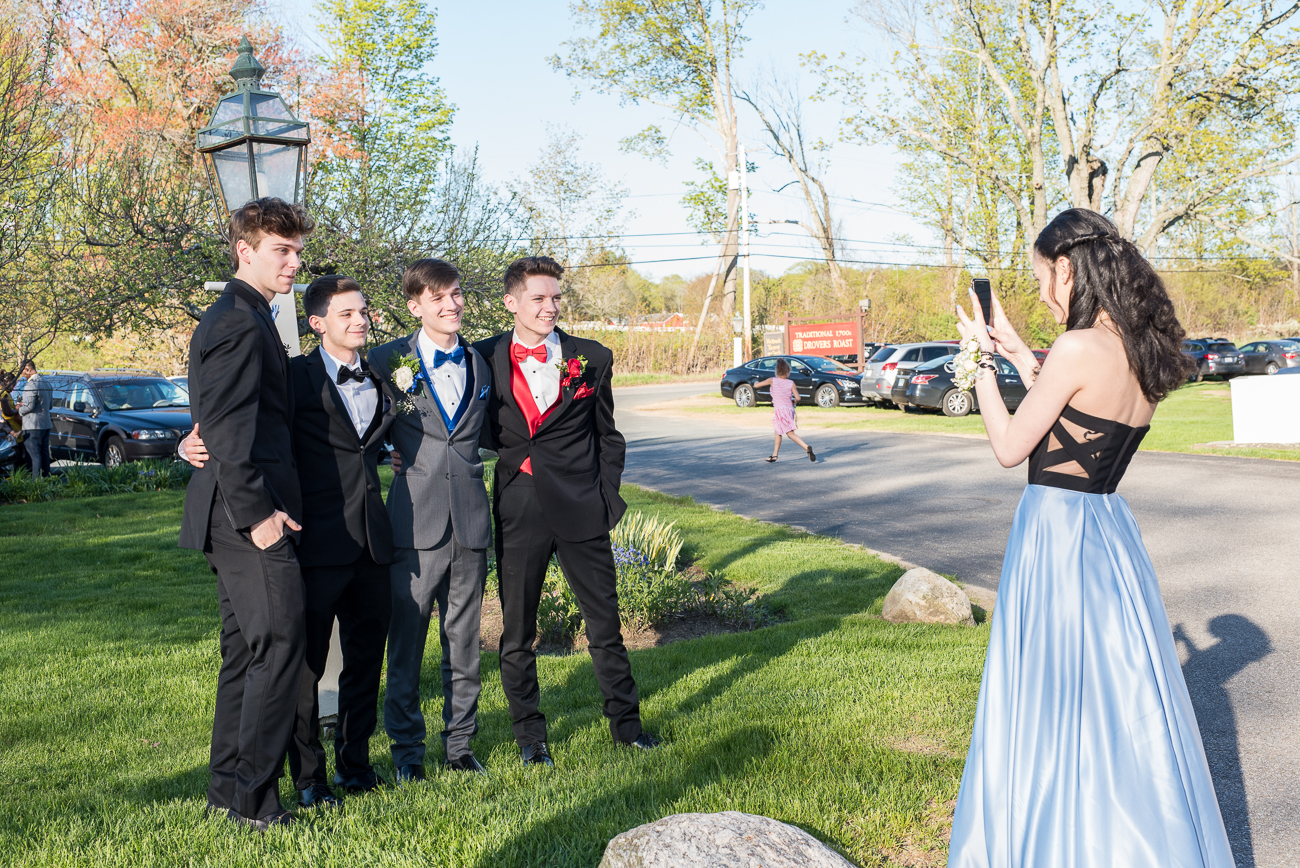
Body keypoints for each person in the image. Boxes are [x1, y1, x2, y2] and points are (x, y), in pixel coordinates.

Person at [947, 209, 1232, 867]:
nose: (1046, 291)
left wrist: (981, 364)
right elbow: (1075, 420)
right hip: (1106, 527)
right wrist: (1021, 355)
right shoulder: (1139, 353)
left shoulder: (1077, 349)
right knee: (1110, 691)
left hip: (1056, 531)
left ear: (1069, 269)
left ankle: (1057, 838)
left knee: (1054, 693)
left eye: (1046, 275)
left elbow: (1013, 447)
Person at [181, 275, 397, 808]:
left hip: (372, 541)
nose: (360, 320)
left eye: (363, 311)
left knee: (365, 660)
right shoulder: (293, 371)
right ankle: (305, 777)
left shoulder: (387, 378)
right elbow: (242, 419)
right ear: (318, 322)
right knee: (298, 664)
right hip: (311, 536)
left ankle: (355, 762)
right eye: (347, 313)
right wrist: (193, 440)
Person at [473, 255, 659, 767]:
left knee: (605, 625)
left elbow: (608, 435)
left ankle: (628, 727)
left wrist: (606, 497)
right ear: (511, 303)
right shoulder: (482, 356)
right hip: (520, 503)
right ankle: (531, 739)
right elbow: (478, 425)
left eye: (556, 297)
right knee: (517, 631)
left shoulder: (592, 357)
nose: (550, 307)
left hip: (582, 505)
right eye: (538, 298)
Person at [178, 197, 314, 832]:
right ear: (246, 250)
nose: (292, 261)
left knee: (245, 653)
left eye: (296, 251)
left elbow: (218, 419)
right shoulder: (238, 320)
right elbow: (230, 432)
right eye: (280, 250)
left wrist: (192, 439)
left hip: (230, 509)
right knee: (279, 648)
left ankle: (228, 791)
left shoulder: (244, 315)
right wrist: (258, 516)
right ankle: (255, 804)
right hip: (245, 516)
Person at [368, 258, 495, 780]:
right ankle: (407, 754)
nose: (452, 305)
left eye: (456, 294)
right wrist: (383, 456)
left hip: (469, 524)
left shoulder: (483, 362)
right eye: (438, 298)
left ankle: (461, 746)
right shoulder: (384, 361)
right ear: (415, 307)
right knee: (406, 646)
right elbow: (354, 422)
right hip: (413, 525)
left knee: (464, 645)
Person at [754, 359, 815, 463]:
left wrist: (755, 381)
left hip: (780, 411)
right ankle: (774, 455)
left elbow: (756, 385)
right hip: (788, 410)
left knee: (790, 434)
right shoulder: (791, 383)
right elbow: (798, 398)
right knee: (778, 431)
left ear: (777, 371)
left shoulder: (772, 380)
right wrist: (794, 401)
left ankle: (806, 447)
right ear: (788, 372)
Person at [16, 360, 52, 477]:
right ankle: (46, 478)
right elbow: (49, 405)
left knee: (33, 455)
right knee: (44, 453)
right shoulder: (46, 383)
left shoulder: (31, 385)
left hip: (32, 425)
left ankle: (35, 482)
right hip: (46, 423)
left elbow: (29, 407)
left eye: (22, 371)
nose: (22, 374)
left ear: (28, 369)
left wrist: (19, 409)